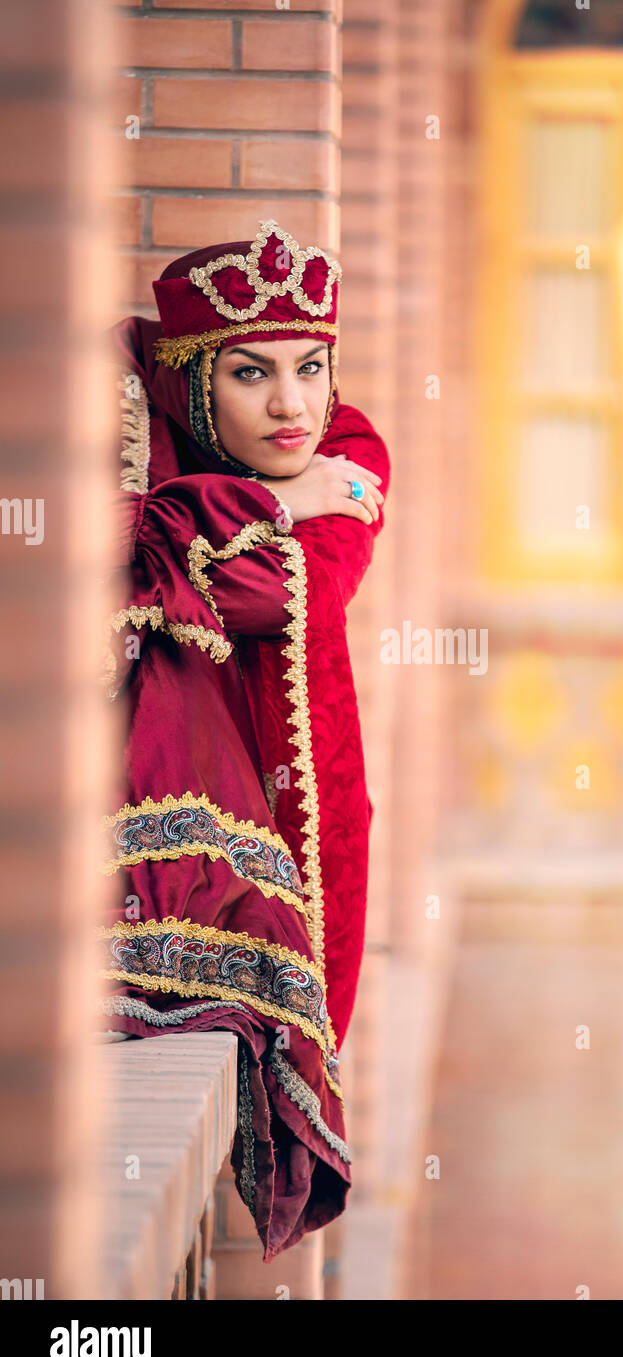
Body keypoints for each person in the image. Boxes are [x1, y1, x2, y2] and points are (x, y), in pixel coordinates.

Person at [96, 219, 390, 1261]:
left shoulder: (351, 459)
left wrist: (210, 518)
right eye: (253, 373)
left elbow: (263, 590)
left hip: (311, 810)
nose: (292, 405)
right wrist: (269, 500)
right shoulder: (147, 455)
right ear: (188, 383)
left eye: (311, 368)